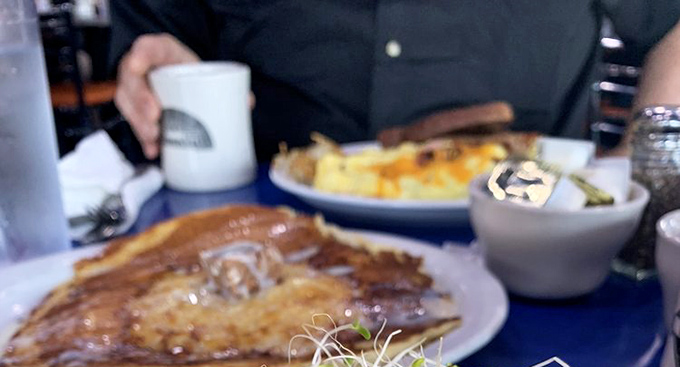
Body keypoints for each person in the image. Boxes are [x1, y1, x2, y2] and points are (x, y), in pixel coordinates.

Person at [110, 1, 680, 161]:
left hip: (531, 211)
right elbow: (159, 34)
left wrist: (643, 166)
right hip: (270, 237)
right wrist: (162, 70)